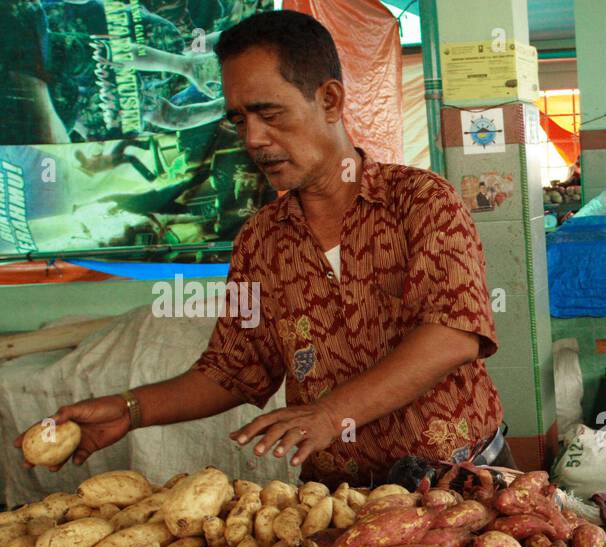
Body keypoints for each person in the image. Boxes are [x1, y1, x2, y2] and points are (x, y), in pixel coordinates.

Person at [16, 9, 512, 482]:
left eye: (269, 113)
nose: (253, 138)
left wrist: (330, 414)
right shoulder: (261, 240)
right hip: (341, 502)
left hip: (461, 480)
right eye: (238, 120)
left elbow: (452, 333)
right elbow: (234, 369)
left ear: (331, 100)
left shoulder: (421, 201)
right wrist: (129, 409)